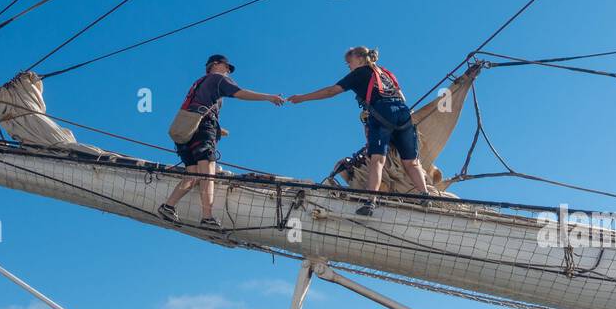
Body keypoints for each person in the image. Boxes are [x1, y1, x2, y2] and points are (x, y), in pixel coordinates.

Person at [289, 46, 430, 216]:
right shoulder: (385, 73)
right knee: (411, 162)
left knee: (377, 160)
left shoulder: (359, 73)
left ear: (361, 59)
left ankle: (370, 202)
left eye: (349, 62)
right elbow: (402, 96)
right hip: (403, 114)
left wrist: (302, 98)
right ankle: (425, 196)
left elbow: (331, 91)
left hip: (381, 113)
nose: (348, 66)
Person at [158, 54, 283, 228]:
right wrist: (269, 97)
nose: (228, 72)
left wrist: (217, 129)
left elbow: (197, 109)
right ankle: (207, 217)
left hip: (186, 131)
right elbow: (240, 93)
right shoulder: (217, 79)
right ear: (215, 65)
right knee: (208, 173)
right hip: (202, 130)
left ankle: (168, 206)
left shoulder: (199, 83)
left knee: (193, 174)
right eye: (227, 67)